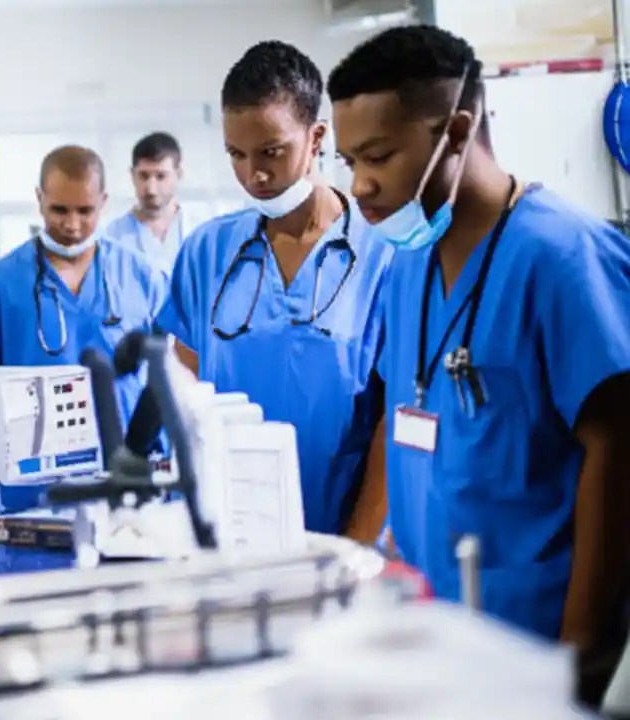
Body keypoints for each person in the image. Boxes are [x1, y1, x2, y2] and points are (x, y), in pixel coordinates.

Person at [329, 25, 630, 704]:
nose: (361, 185)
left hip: (535, 644)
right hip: (439, 638)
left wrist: (578, 657)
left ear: (457, 131)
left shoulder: (562, 259)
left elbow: (618, 452)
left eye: (377, 155)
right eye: (348, 161)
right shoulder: (406, 266)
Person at [156, 41, 393, 540]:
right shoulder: (207, 253)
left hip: (339, 533)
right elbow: (185, 398)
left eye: (271, 152)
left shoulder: (384, 256)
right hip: (225, 535)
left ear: (317, 137)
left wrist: (355, 549)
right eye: (236, 154)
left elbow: (392, 427)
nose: (253, 175)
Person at [0, 145, 167, 433]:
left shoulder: (143, 277)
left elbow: (168, 375)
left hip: (128, 456)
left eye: (85, 211)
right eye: (59, 210)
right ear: (39, 199)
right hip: (38, 463)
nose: (72, 225)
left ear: (103, 201)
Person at [104, 132, 191, 275]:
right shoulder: (113, 237)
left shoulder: (200, 229)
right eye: (143, 176)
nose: (151, 188)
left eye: (161, 176)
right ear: (132, 175)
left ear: (179, 175)